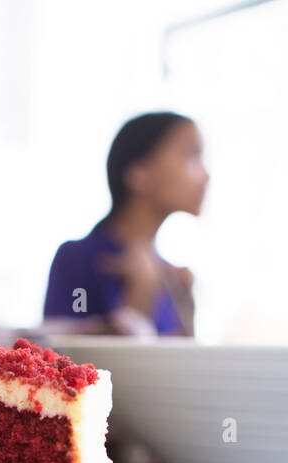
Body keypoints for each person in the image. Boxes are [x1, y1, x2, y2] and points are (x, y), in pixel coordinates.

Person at [43, 112, 208, 336]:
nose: (206, 175)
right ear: (139, 172)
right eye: (192, 156)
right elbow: (62, 356)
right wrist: (138, 301)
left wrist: (186, 306)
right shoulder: (77, 259)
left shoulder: (172, 276)